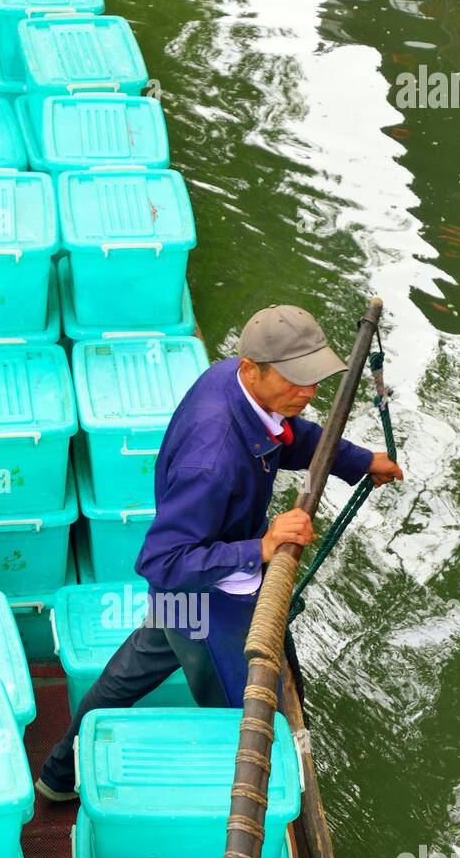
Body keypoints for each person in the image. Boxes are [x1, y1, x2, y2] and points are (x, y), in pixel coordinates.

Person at [36, 303, 403, 800]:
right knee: (245, 713)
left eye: (315, 379)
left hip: (199, 578)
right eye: (296, 381)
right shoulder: (212, 462)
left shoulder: (234, 380)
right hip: (207, 595)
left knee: (135, 669)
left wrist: (360, 461)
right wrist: (262, 547)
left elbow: (292, 438)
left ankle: (59, 775)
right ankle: (243, 807)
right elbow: (161, 562)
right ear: (252, 369)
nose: (310, 393)